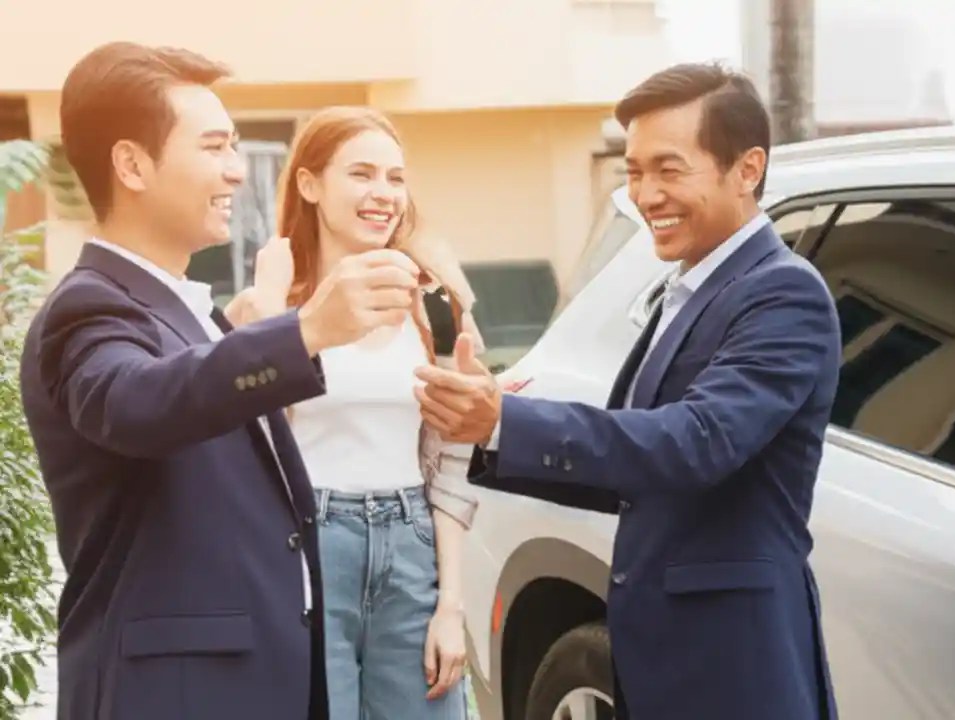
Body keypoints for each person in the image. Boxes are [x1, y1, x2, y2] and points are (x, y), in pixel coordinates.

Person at [416, 63, 842, 720]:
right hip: (665, 657)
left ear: (747, 169)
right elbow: (633, 464)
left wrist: (506, 422)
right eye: (634, 172)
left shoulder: (785, 293)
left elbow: (696, 443)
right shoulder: (687, 287)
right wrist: (490, 435)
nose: (645, 195)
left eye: (669, 170)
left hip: (734, 662)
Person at [19, 43, 420, 720]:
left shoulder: (190, 308)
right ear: (132, 164)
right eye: (214, 147)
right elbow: (140, 402)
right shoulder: (88, 307)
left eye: (234, 147)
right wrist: (303, 332)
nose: (237, 172)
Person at [225, 106, 476, 719]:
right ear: (309, 185)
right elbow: (247, 458)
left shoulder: (436, 304)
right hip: (307, 546)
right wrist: (271, 315)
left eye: (395, 177)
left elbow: (452, 458)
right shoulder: (264, 309)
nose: (383, 194)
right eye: (362, 174)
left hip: (412, 545)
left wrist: (452, 606)